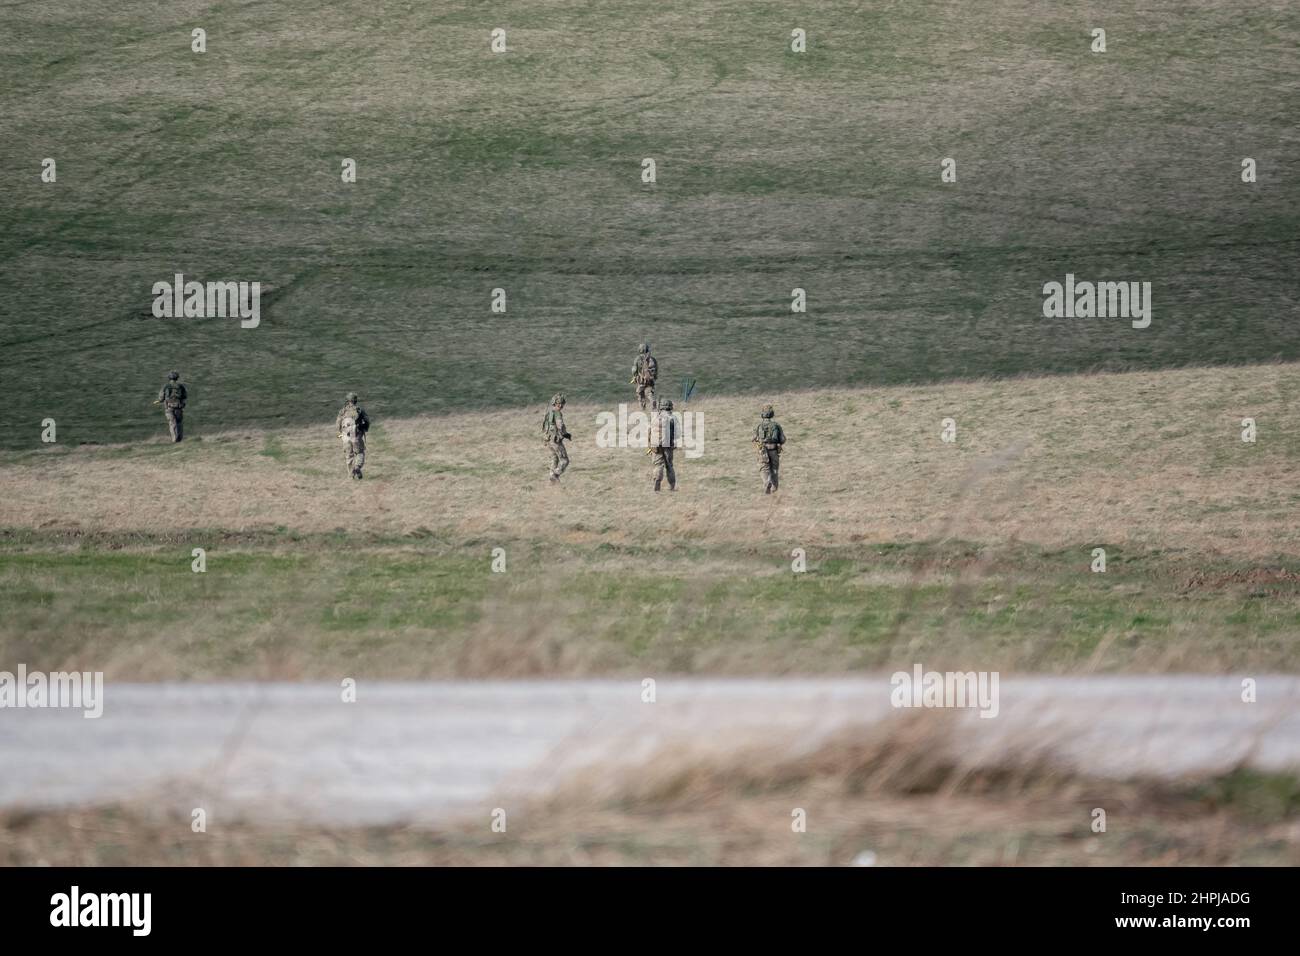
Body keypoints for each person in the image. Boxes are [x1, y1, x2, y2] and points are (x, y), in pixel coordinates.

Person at [752, 403, 786, 493]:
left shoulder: (759, 426)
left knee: (764, 468)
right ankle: (774, 489)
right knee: (774, 469)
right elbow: (783, 439)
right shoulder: (776, 425)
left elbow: (754, 438)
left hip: (763, 451)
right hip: (774, 450)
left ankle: (767, 483)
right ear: (772, 414)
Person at [336, 392, 370, 479]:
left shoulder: (342, 411)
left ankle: (351, 476)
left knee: (348, 456)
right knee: (360, 452)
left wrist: (341, 434)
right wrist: (364, 429)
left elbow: (338, 425)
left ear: (347, 400)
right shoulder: (359, 410)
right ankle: (357, 466)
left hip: (345, 437)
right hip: (356, 435)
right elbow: (367, 421)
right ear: (355, 400)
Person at [542, 392, 571, 482]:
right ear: (556, 403)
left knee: (554, 458)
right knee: (565, 461)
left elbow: (544, 427)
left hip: (547, 440)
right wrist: (566, 434)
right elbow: (560, 425)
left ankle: (552, 480)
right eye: (560, 403)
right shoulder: (557, 413)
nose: (561, 405)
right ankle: (555, 475)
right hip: (555, 441)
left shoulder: (549, 413)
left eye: (562, 403)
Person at [154, 371, 188, 442]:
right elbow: (185, 396)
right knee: (179, 423)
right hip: (179, 407)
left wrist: (158, 401)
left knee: (172, 423)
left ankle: (174, 440)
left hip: (169, 407)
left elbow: (161, 397)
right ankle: (179, 439)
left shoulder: (166, 386)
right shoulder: (181, 386)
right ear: (177, 378)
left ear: (169, 378)